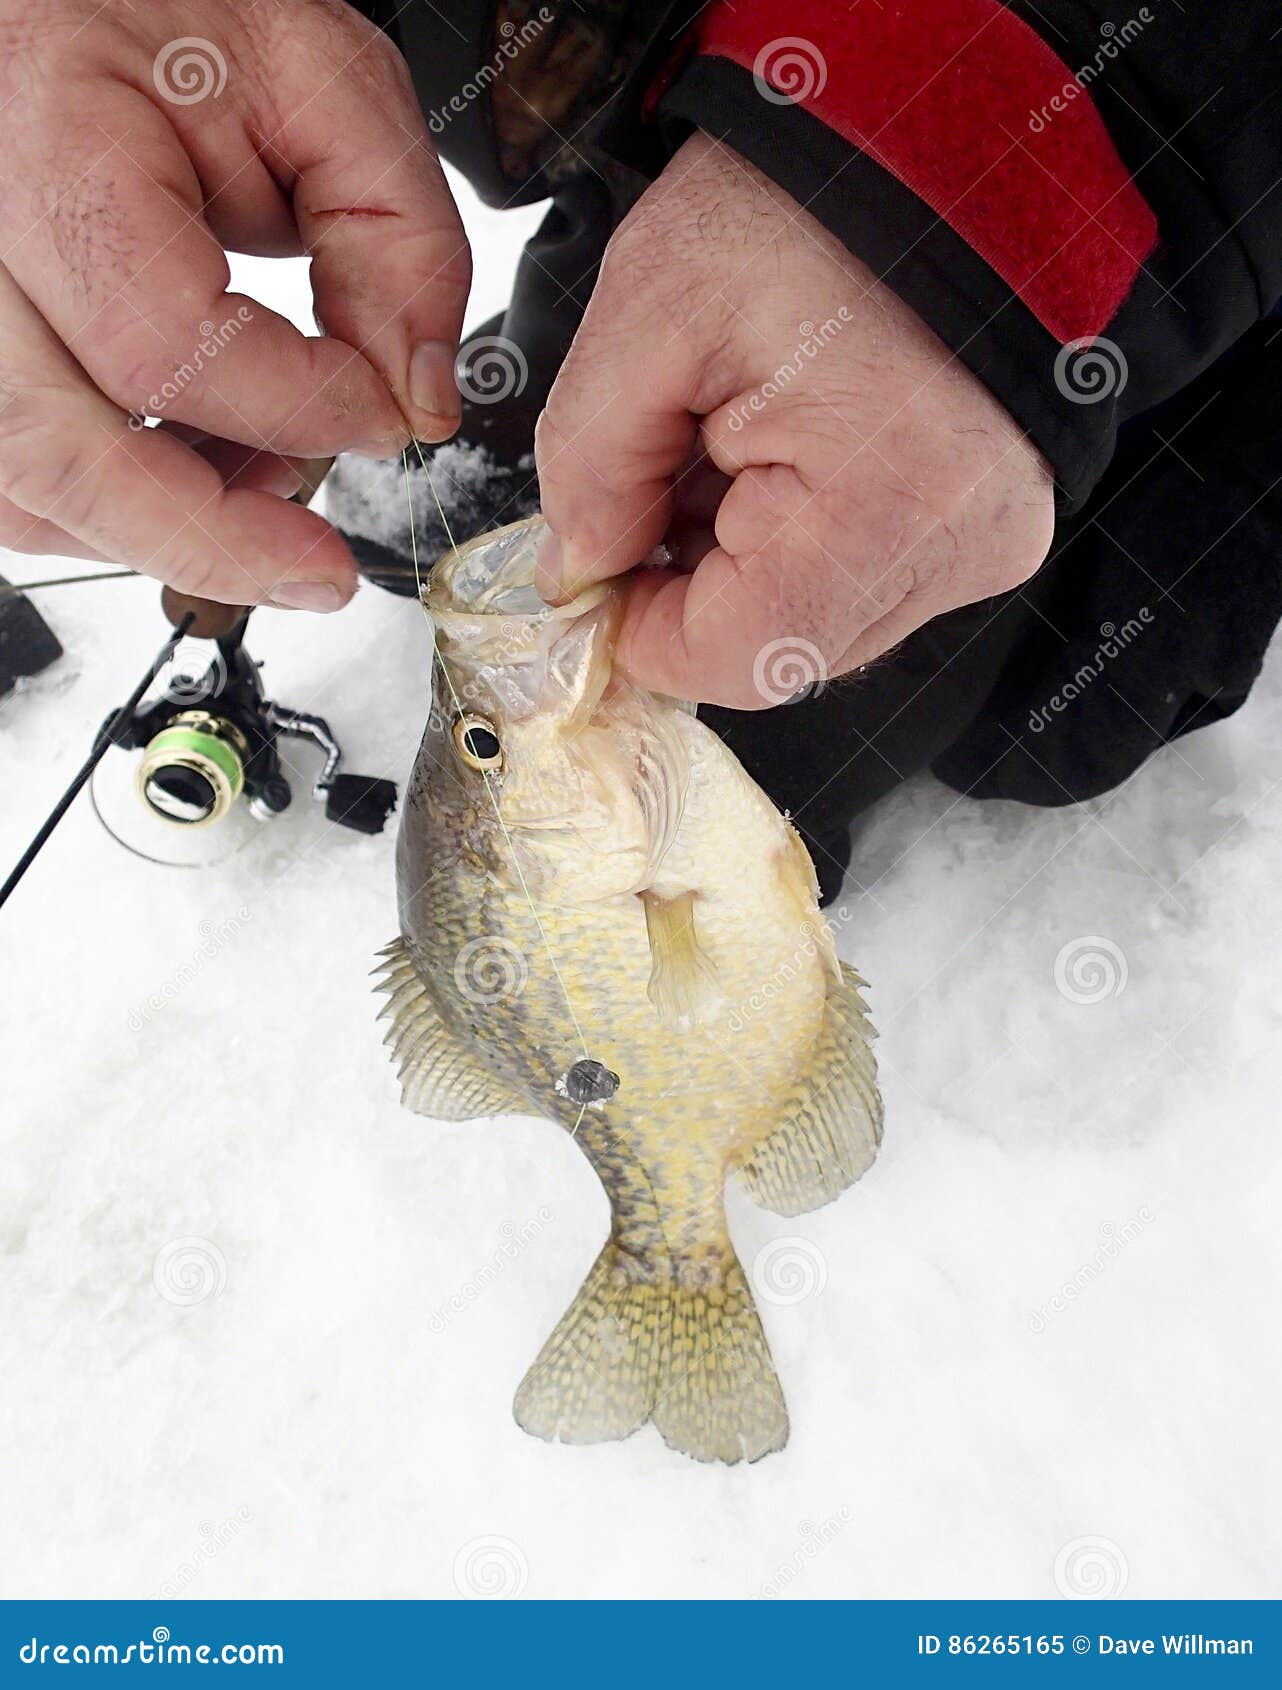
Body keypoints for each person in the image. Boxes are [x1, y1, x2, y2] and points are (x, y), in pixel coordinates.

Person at [1, 2, 1280, 899]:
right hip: (670, 76)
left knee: (1046, 707)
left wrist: (964, 168)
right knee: (605, 455)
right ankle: (684, 190)